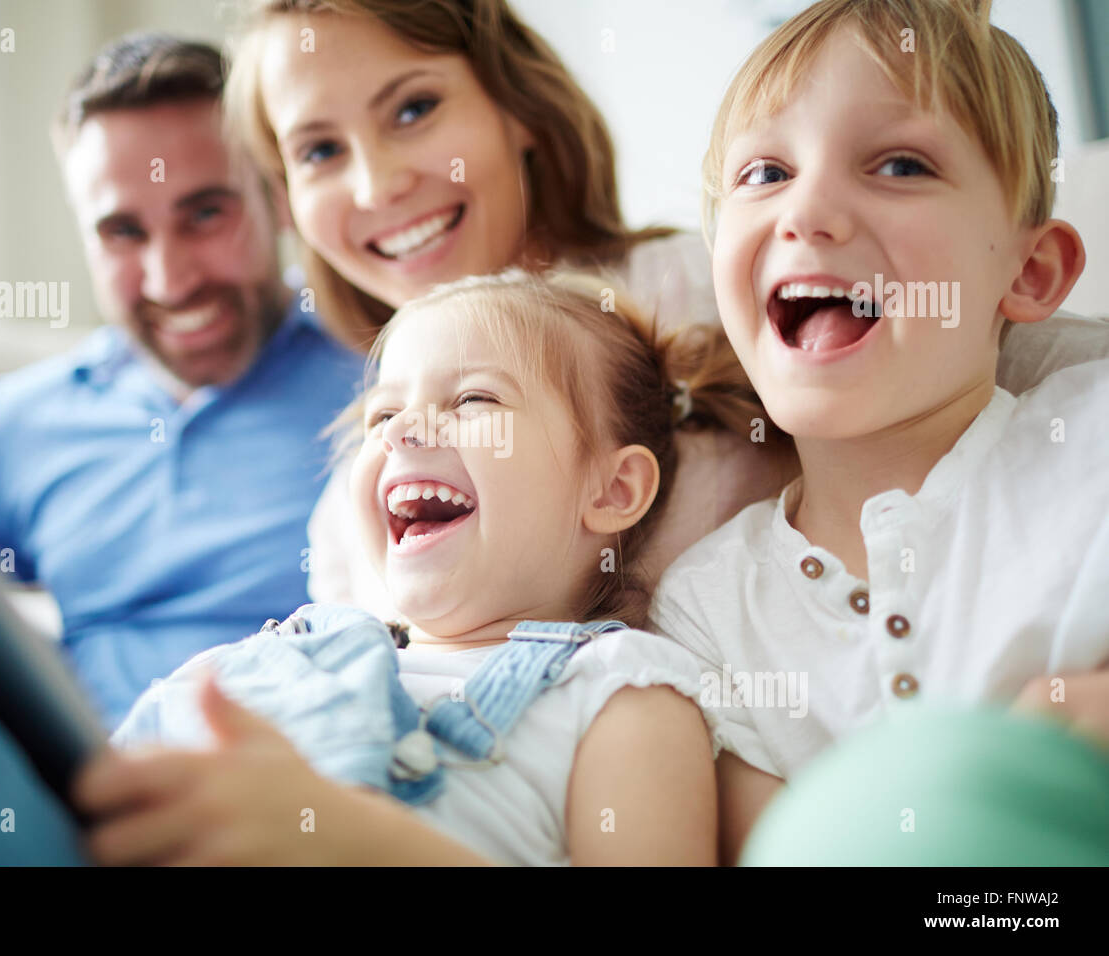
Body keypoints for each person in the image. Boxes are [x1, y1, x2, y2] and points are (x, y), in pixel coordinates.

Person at [227, 0, 1109, 625]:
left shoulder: (715, 277)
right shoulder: (361, 503)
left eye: (414, 109)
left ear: (515, 107)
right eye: (318, 151)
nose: (378, 183)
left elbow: (1000, 359)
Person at [71, 269, 758, 865]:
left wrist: (354, 839)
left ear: (611, 491)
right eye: (385, 412)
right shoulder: (278, 659)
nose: (401, 430)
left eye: (473, 401)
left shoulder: (620, 692)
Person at [648, 0, 1109, 865]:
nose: (809, 211)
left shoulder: (1091, 445)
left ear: (1030, 271)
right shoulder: (706, 609)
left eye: (899, 164)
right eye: (764, 174)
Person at [0, 33, 363, 728]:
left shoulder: (388, 370)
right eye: (123, 231)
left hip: (322, 785)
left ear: (276, 197)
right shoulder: (22, 422)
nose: (171, 280)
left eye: (206, 214)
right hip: (87, 803)